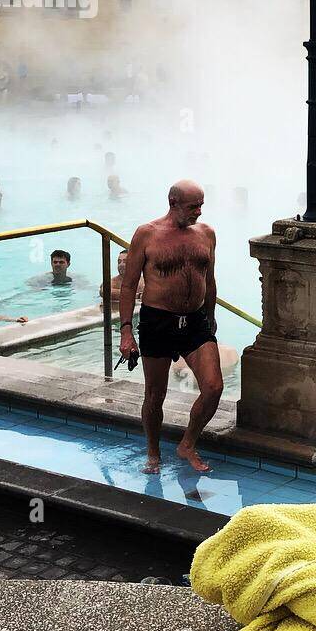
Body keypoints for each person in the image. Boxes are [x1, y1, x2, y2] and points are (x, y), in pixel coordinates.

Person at [118, 180, 222, 474]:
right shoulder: (147, 234)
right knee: (155, 394)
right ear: (173, 202)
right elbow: (128, 286)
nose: (199, 212)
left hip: (195, 321)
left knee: (213, 387)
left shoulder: (207, 234)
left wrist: (210, 316)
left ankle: (187, 443)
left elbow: (209, 280)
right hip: (157, 321)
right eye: (193, 206)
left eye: (202, 205)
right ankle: (153, 452)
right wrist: (126, 332)